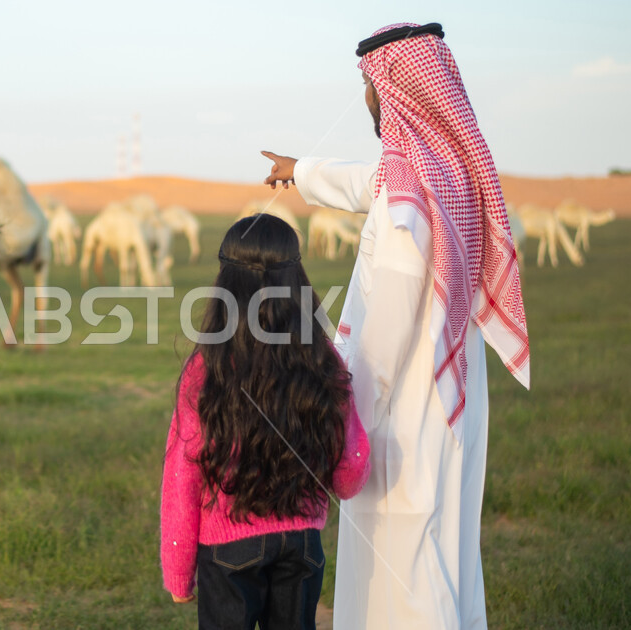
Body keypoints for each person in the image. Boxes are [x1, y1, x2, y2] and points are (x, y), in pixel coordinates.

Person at [261, 23, 530, 629]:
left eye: (367, 84)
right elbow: (372, 182)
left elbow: (385, 337)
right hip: (450, 392)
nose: (365, 99)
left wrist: (344, 414)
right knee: (441, 545)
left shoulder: (409, 202)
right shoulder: (444, 171)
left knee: (407, 559)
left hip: (404, 405)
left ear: (395, 88)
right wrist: (301, 171)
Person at [160, 215, 371, 630]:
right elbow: (349, 472)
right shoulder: (323, 360)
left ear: (225, 283)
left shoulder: (206, 369)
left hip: (226, 549)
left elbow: (182, 475)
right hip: (302, 544)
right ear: (297, 280)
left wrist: (179, 572)